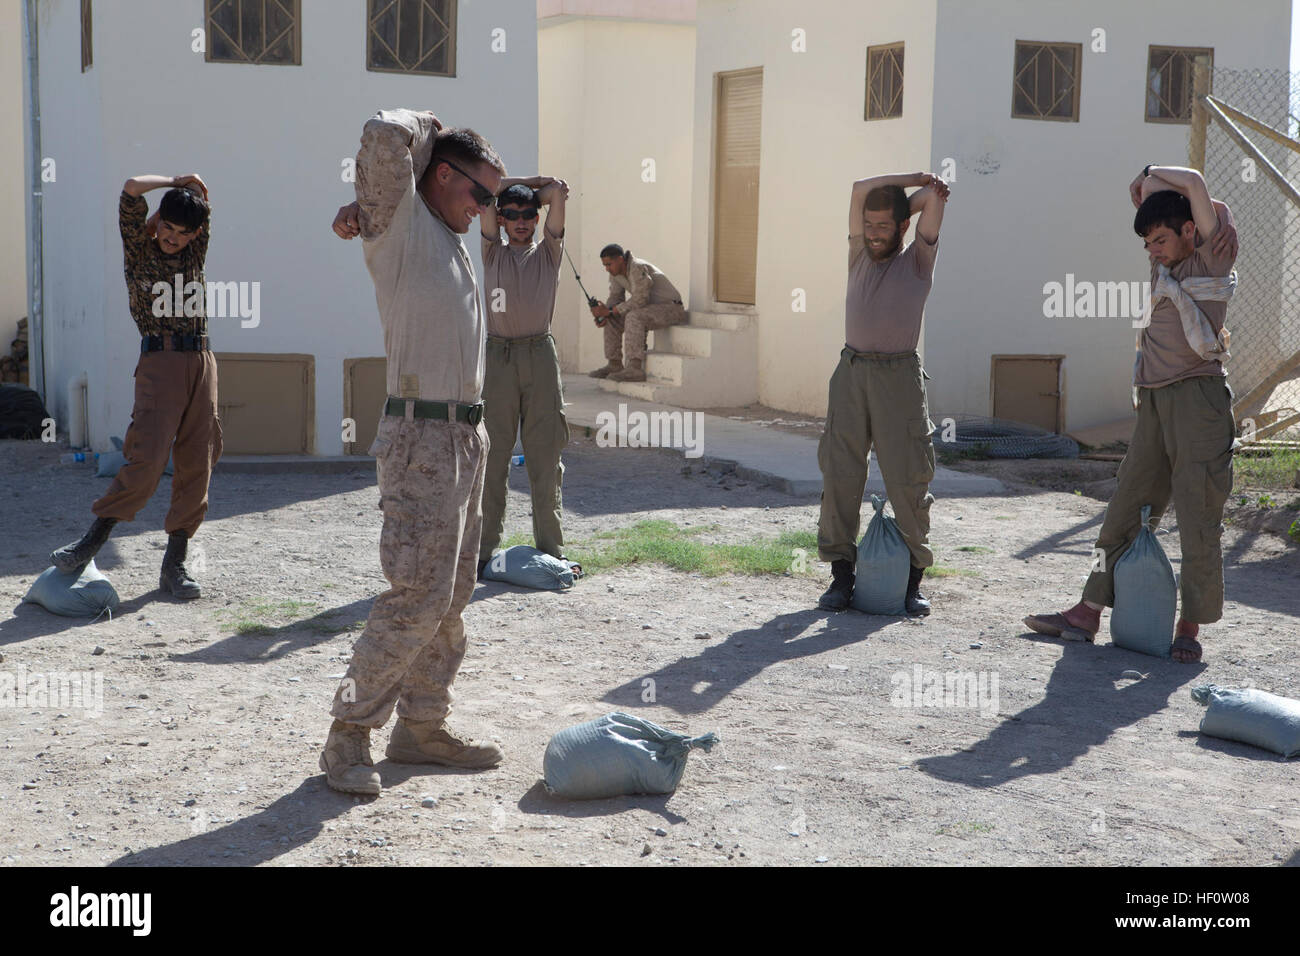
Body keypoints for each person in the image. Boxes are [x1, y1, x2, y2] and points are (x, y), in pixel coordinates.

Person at [324, 108, 505, 796]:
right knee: (414, 596)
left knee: (451, 596)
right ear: (441, 175)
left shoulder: (454, 238)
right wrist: (427, 126)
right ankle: (347, 735)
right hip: (420, 437)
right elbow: (379, 135)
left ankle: (421, 727)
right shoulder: (400, 224)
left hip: (465, 438)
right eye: (479, 192)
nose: (486, 209)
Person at [1025, 165, 1238, 663]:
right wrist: (1147, 193)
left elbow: (1193, 186)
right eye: (1148, 243)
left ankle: (1189, 627)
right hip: (1156, 401)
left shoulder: (1213, 254)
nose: (1154, 250)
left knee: (1197, 515)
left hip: (1199, 400)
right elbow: (1143, 196)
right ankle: (1086, 611)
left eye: (1161, 239)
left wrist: (1151, 172)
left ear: (1191, 231)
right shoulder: (1162, 266)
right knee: (1124, 509)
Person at [50, 173, 218, 600]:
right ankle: (91, 542)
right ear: (157, 220)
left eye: (183, 233)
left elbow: (202, 203)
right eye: (168, 227)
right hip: (160, 361)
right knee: (146, 456)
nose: (173, 238)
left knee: (198, 458)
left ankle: (175, 563)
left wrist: (194, 191)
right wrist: (175, 179)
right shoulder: (138, 249)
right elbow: (130, 187)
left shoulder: (196, 246)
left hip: (202, 359)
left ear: (194, 234)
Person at [816, 171, 950, 615]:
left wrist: (903, 205)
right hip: (852, 372)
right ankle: (840, 576)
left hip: (899, 378)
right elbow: (857, 189)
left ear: (902, 228)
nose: (873, 234)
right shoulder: (858, 254)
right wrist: (904, 186)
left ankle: (912, 582)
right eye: (869, 225)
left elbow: (933, 197)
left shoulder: (918, 261)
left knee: (909, 478)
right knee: (840, 474)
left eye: (883, 226)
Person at [477, 178, 571, 574]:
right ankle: (481, 553)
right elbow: (485, 188)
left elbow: (558, 191)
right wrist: (513, 190)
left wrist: (534, 190)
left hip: (539, 355)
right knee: (492, 456)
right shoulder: (491, 251)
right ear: (499, 219)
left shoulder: (549, 251)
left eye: (528, 214)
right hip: (498, 356)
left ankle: (552, 549)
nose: (520, 221)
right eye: (511, 215)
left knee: (545, 455)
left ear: (537, 219)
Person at [586, 245, 686, 382]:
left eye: (609, 264)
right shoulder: (616, 274)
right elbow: (615, 298)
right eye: (605, 265)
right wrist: (604, 314)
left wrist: (610, 311)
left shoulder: (637, 268)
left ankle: (634, 368)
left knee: (634, 317)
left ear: (620, 259)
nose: (607, 269)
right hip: (650, 309)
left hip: (672, 309)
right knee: (612, 319)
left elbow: (640, 299)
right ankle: (614, 364)